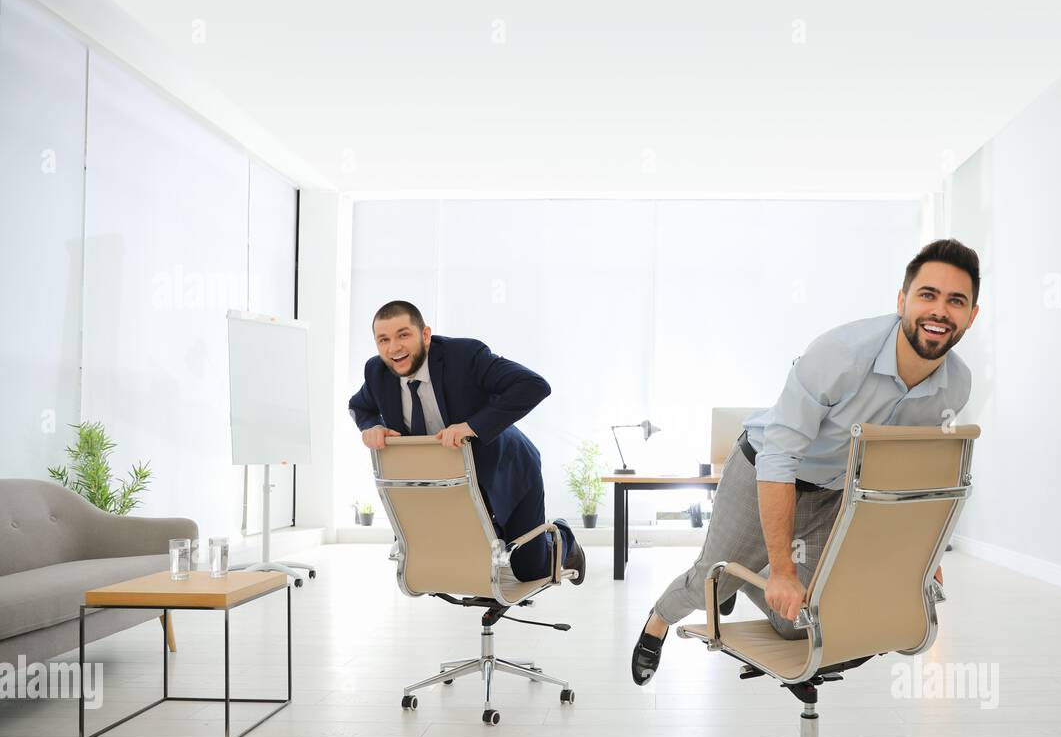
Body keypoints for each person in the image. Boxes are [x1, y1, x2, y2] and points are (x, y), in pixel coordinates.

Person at [631, 238, 980, 685]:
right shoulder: (840, 355)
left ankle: (745, 575)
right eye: (928, 295)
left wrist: (924, 555)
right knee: (708, 581)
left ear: (972, 315)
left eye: (956, 301)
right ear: (902, 301)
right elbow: (779, 456)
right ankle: (659, 619)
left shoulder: (956, 385)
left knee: (801, 619)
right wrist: (781, 570)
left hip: (833, 491)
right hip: (765, 469)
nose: (940, 311)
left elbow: (918, 470)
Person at [348, 299, 584, 585]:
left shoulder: (465, 356)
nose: (393, 348)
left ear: (425, 335)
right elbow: (360, 406)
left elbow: (533, 385)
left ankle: (566, 540)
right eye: (383, 339)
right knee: (458, 561)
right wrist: (371, 426)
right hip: (452, 480)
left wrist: (473, 425)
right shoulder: (377, 372)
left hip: (508, 467)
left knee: (529, 570)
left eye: (403, 335)